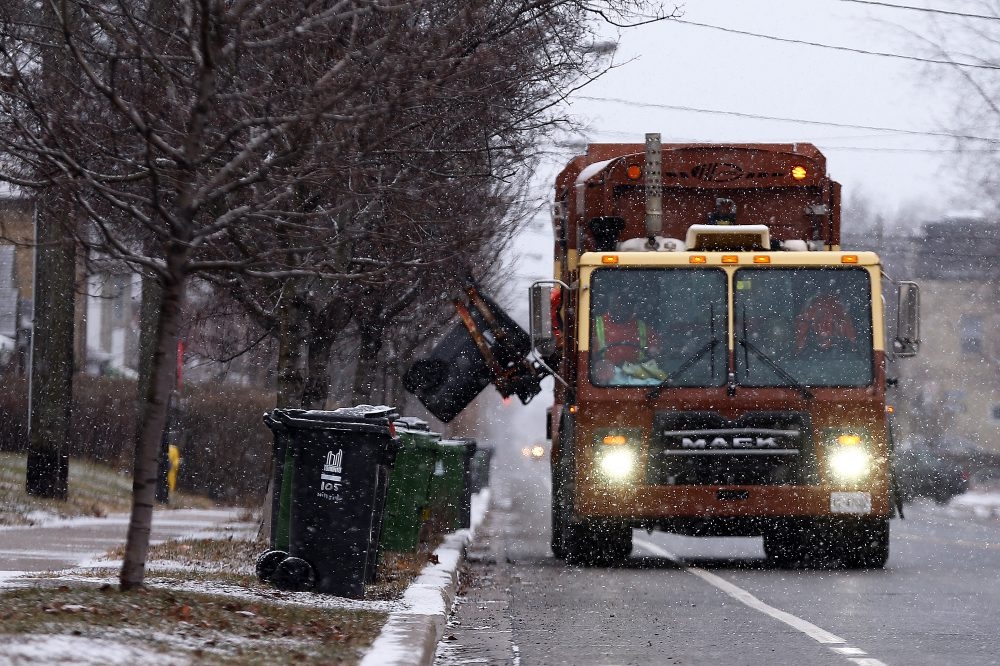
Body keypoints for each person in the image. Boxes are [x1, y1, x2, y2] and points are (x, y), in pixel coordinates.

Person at [592, 291, 666, 384]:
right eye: (616, 304)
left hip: (638, 380)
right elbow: (585, 358)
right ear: (609, 305)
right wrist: (598, 363)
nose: (620, 308)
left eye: (624, 304)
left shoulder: (643, 328)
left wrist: (655, 351)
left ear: (631, 307)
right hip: (605, 383)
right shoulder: (595, 326)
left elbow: (659, 351)